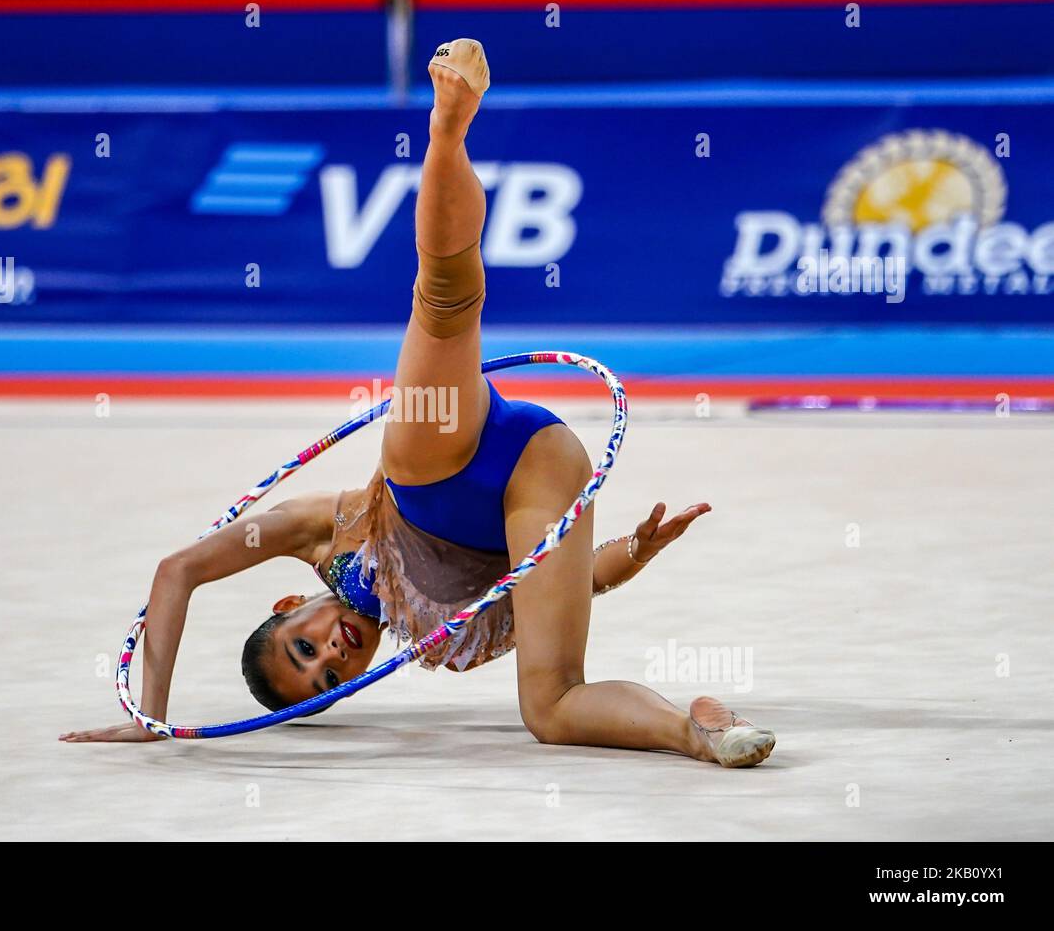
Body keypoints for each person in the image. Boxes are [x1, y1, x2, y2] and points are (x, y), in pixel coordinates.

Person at [62, 40, 775, 768]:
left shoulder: (317, 532)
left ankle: (447, 132)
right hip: (545, 468)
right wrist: (635, 552)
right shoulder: (439, 629)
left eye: (302, 647)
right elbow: (570, 577)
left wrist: (152, 713)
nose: (330, 655)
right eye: (330, 679)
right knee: (551, 707)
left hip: (436, 460)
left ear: (287, 608)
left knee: (444, 304)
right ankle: (701, 731)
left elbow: (176, 571)